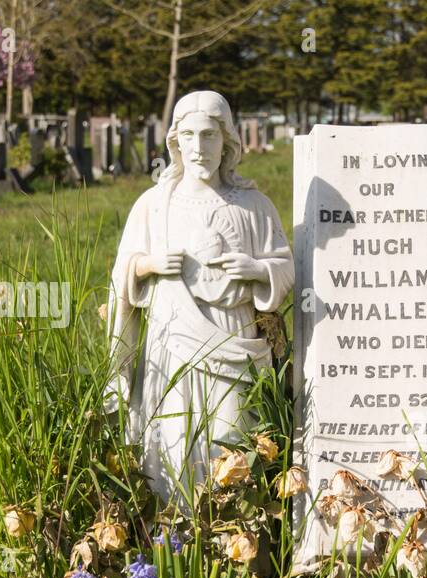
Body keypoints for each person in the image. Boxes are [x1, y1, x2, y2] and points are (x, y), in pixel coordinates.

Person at [105, 90, 294, 508]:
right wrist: (147, 265)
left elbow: (284, 267)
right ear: (175, 142)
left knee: (230, 445)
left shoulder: (254, 206)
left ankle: (236, 546)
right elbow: (122, 271)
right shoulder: (155, 205)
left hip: (233, 339)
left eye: (208, 135)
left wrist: (258, 270)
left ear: (226, 140)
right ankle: (171, 542)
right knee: (171, 445)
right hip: (169, 346)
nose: (198, 146)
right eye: (187, 135)